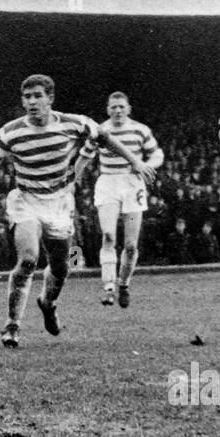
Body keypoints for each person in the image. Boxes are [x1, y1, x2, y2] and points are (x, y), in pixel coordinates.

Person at [0, 74, 153, 349]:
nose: (32, 102)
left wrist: (135, 161)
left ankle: (48, 303)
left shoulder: (75, 123)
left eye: (38, 96)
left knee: (61, 266)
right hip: (26, 201)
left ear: (50, 98)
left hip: (60, 203)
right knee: (28, 260)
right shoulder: (10, 131)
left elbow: (105, 138)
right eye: (27, 97)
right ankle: (12, 325)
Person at [73, 91, 163, 308]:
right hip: (108, 183)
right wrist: (73, 178)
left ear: (128, 108)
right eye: (114, 107)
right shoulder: (100, 131)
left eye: (121, 106)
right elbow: (85, 155)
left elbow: (157, 154)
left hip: (132, 184)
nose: (118, 110)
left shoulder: (141, 130)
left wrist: (147, 166)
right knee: (109, 235)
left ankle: (124, 284)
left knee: (131, 245)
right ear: (108, 110)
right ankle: (108, 288)